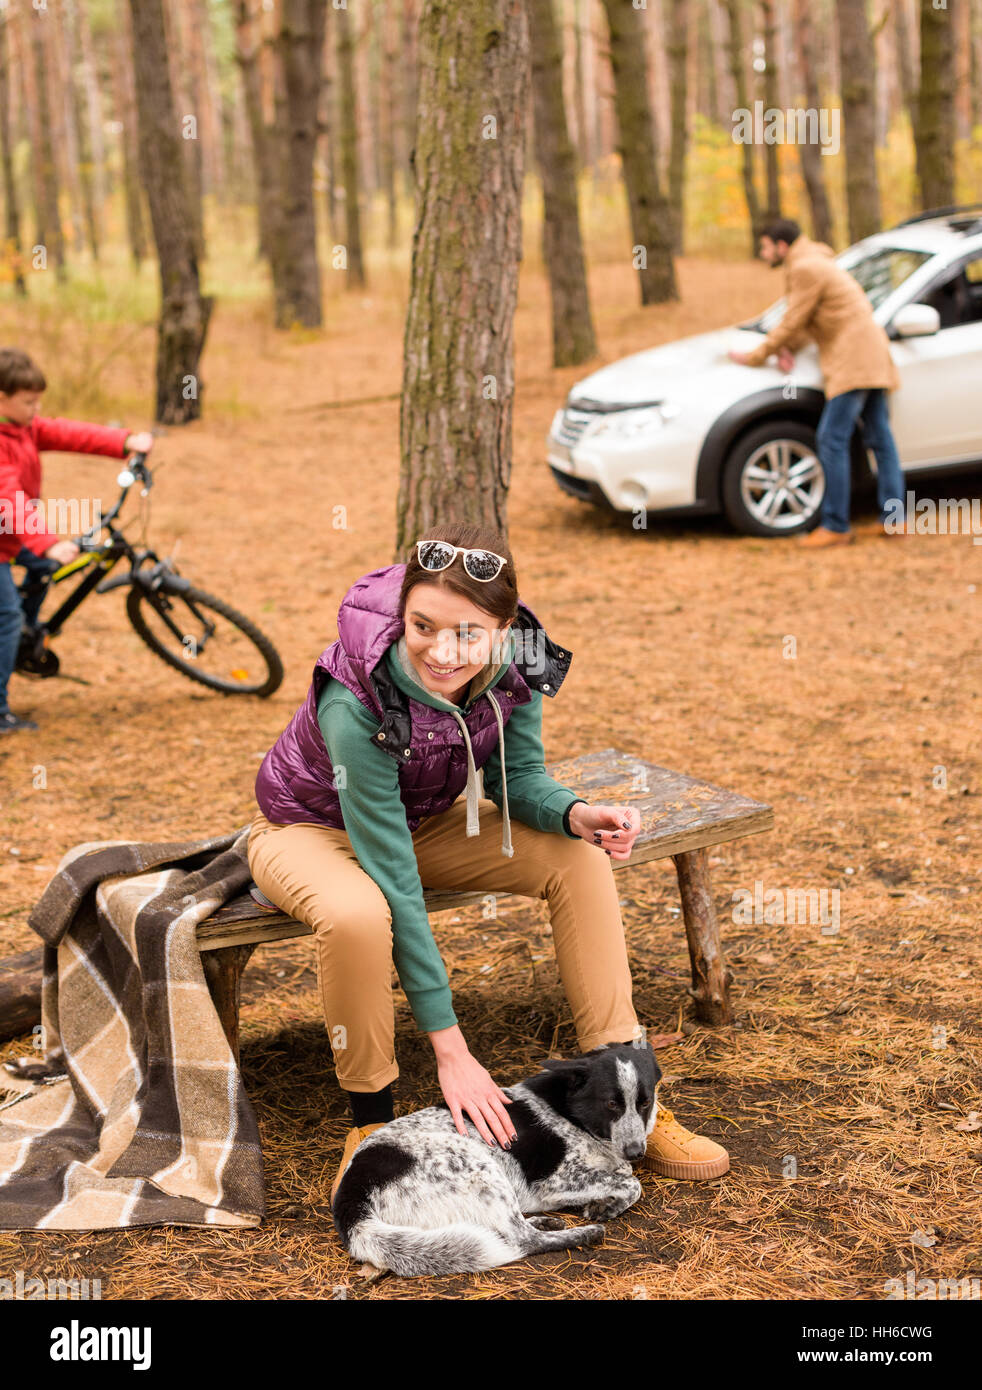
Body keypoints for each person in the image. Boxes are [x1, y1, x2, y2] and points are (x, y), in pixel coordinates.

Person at [248, 523, 731, 1200]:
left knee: (577, 856)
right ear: (402, 612)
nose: (441, 652)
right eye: (422, 626)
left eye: (467, 634)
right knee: (360, 913)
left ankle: (626, 1087)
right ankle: (371, 1129)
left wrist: (574, 813)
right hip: (310, 830)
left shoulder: (514, 665)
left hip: (418, 822)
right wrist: (452, 1048)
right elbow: (392, 877)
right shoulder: (355, 698)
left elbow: (517, 779)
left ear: (503, 629)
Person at [0, 348, 154, 733]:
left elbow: (68, 432)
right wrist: (46, 540)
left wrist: (124, 442)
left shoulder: (22, 426)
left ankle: (23, 641)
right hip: (8, 536)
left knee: (47, 570)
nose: (36, 409)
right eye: (28, 401)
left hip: (10, 536)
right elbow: (8, 498)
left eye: (38, 401)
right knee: (7, 616)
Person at [728, 218, 907, 548]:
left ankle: (836, 525)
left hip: (854, 358)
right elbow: (813, 317)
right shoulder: (818, 259)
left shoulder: (805, 267)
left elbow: (794, 318)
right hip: (871, 352)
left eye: (765, 246)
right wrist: (787, 347)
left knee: (831, 438)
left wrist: (757, 354)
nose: (762, 252)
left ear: (782, 246)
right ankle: (894, 520)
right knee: (880, 437)